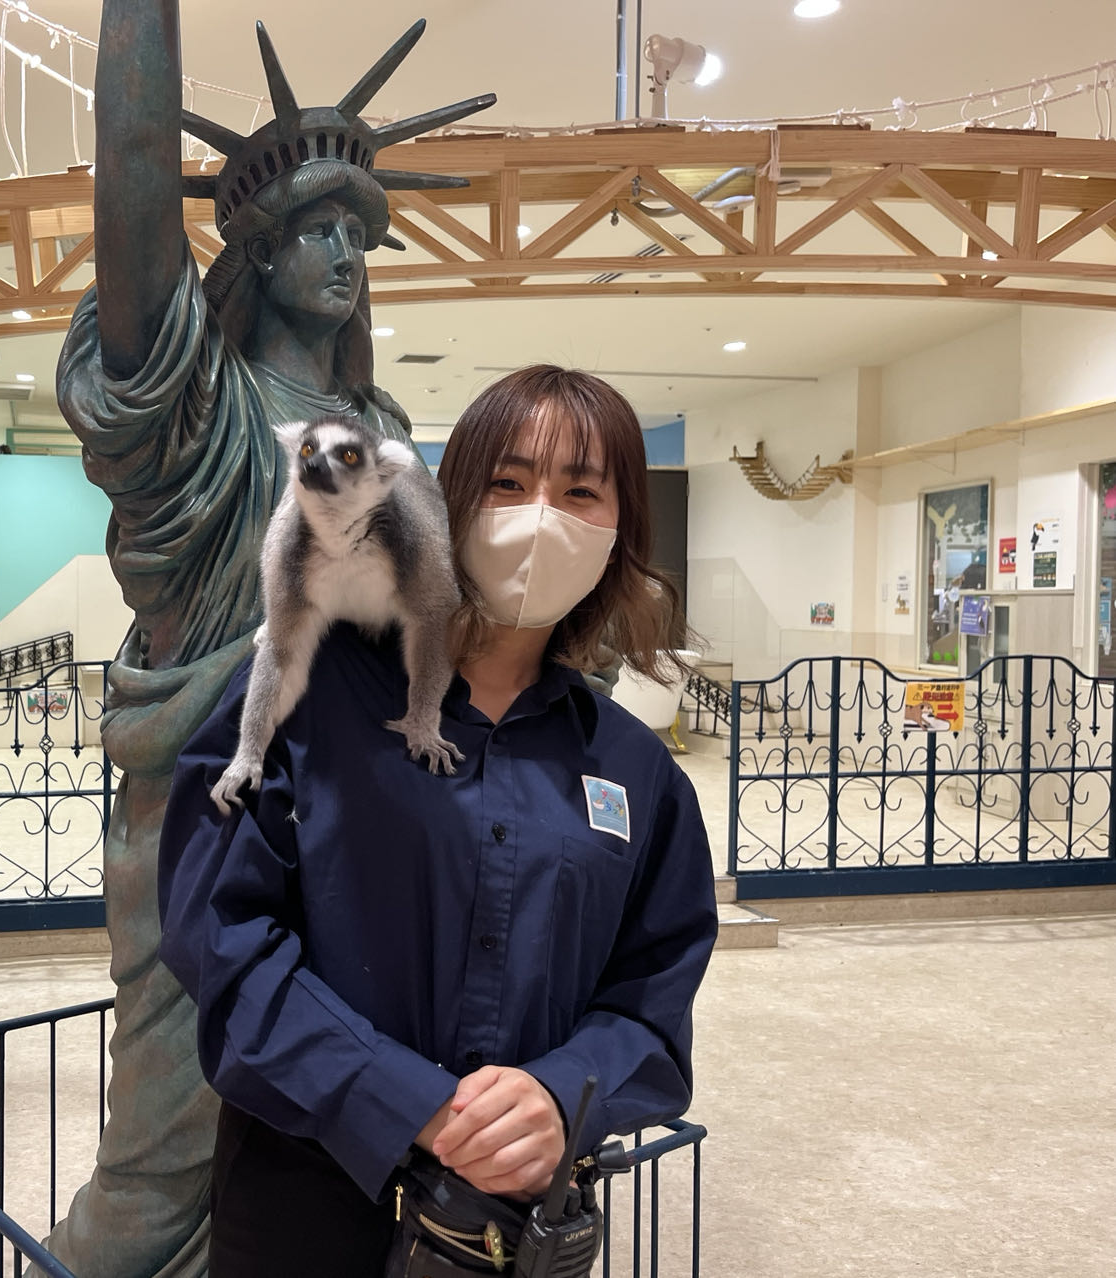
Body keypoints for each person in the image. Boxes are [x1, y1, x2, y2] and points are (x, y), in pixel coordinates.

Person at [40, 11, 492, 1274]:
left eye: (361, 231)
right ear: (256, 250)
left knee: (335, 1134)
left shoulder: (381, 422)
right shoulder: (203, 411)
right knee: (166, 1153)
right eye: (317, 229)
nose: (347, 253)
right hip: (213, 822)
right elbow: (133, 193)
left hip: (364, 824)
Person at [158, 365, 720, 1276]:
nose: (541, 515)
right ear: (442, 498)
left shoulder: (634, 771)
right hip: (305, 1197)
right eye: (507, 481)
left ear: (619, 535)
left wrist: (559, 1094)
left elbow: (652, 1000)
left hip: (507, 1226)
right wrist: (405, 1100)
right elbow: (217, 931)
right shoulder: (308, 693)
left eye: (581, 490)